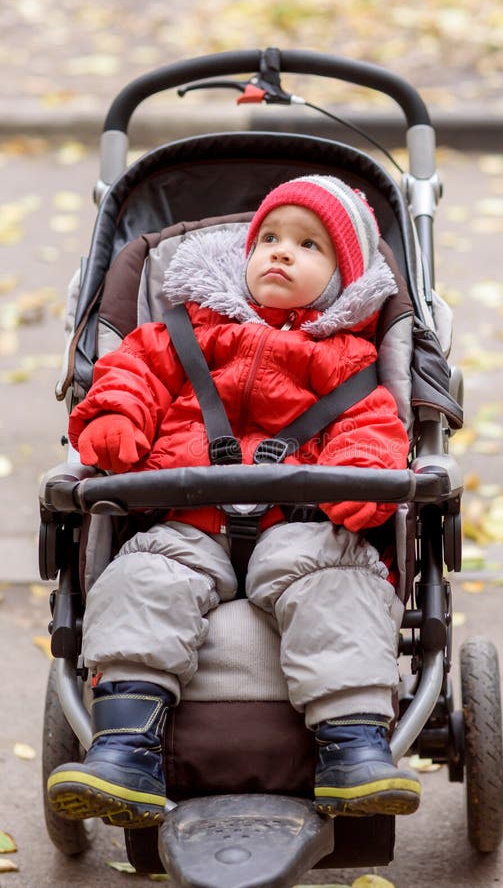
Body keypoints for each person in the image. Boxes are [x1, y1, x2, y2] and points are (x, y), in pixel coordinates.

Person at [47, 175, 421, 827]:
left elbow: (370, 424)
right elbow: (127, 376)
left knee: (340, 582)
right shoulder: (180, 334)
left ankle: (353, 748)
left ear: (343, 280)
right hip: (183, 517)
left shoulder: (344, 358)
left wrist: (363, 477)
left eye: (308, 245)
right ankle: (124, 748)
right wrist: (114, 419)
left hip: (301, 522)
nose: (279, 252)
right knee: (140, 579)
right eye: (268, 239)